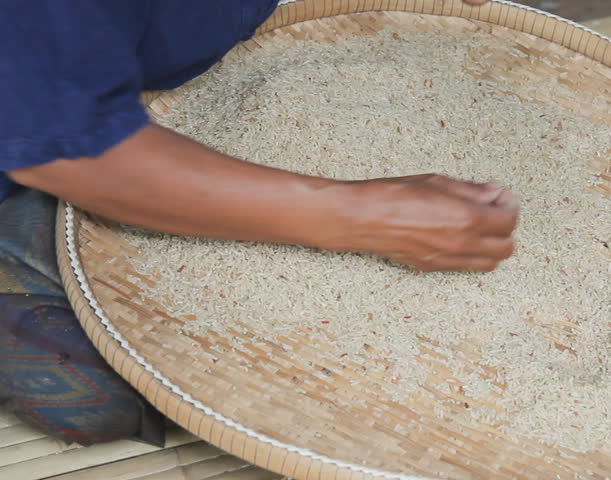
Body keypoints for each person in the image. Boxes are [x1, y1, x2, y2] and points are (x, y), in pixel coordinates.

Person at [0, 0, 518, 447]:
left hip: (113, 65)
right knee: (101, 391)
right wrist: (362, 217)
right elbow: (73, 151)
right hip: (39, 140)